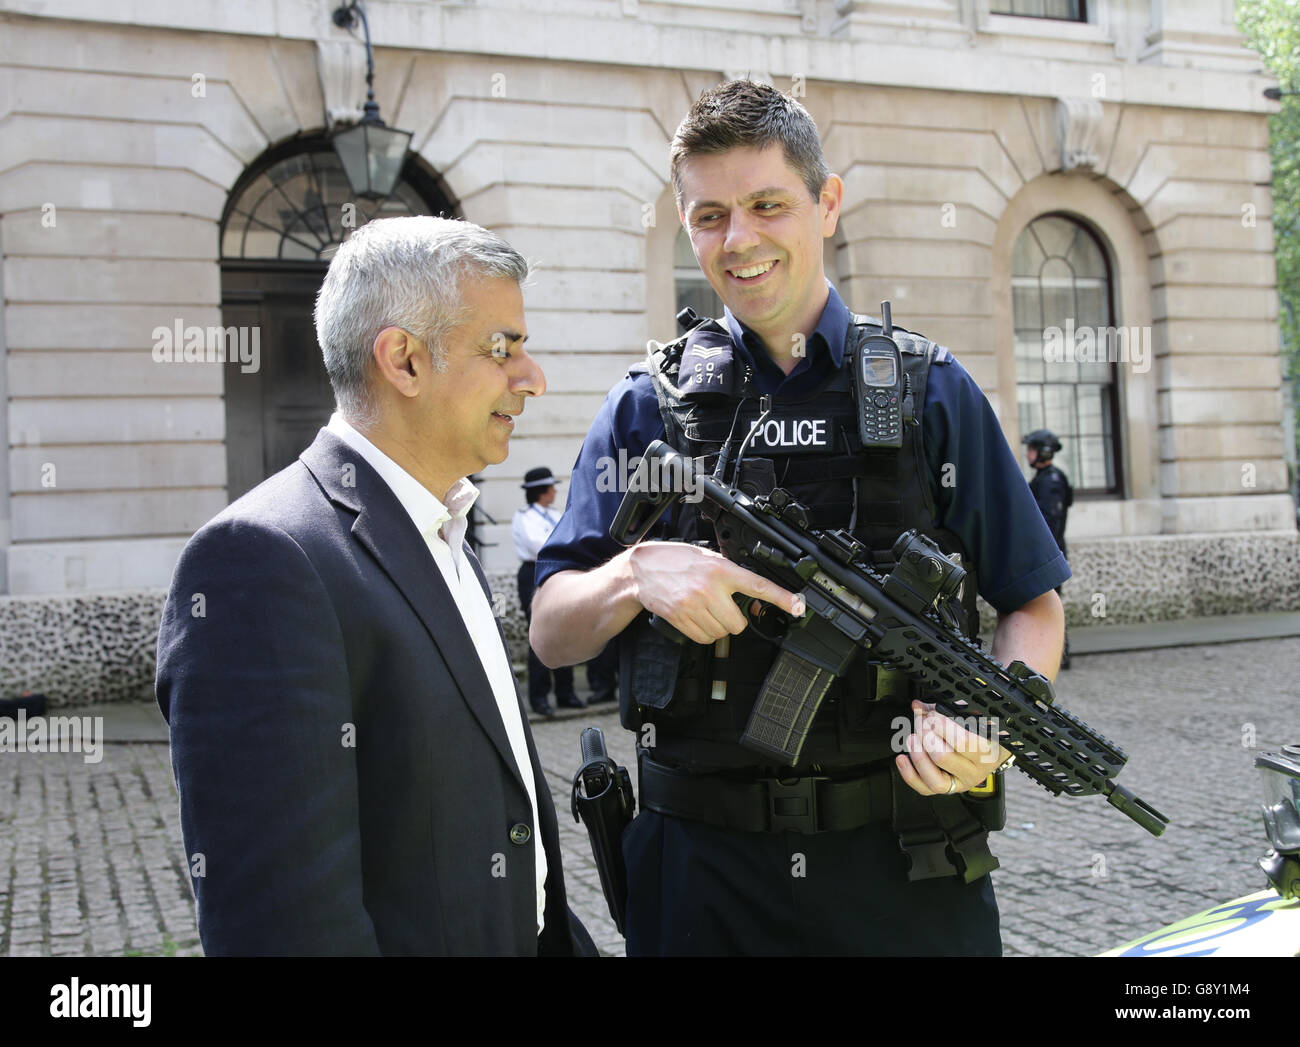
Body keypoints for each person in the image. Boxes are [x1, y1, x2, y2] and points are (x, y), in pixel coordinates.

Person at [530, 80, 1068, 956]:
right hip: (700, 874)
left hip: (905, 867)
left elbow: (1032, 601)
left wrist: (991, 718)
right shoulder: (646, 408)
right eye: (708, 216)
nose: (737, 240)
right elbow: (552, 633)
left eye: (766, 204)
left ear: (827, 202)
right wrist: (634, 574)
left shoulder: (930, 391)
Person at [156, 216, 592, 956]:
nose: (532, 376)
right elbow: (286, 930)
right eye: (503, 347)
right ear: (405, 360)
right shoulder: (260, 562)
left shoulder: (443, 527)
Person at [513, 467, 583, 714]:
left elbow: (573, 537)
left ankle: (565, 693)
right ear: (541, 491)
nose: (555, 491)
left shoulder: (556, 515)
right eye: (551, 487)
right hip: (534, 574)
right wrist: (564, 545)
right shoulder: (524, 517)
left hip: (559, 572)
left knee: (566, 631)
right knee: (539, 635)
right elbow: (538, 546)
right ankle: (539, 697)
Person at [1023, 428, 1074, 668]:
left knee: (1050, 607)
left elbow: (1049, 522)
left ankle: (1059, 655)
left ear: (1043, 452)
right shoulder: (1047, 479)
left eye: (1031, 450)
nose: (1027, 454)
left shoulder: (1050, 481)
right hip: (1049, 554)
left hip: (1049, 554)